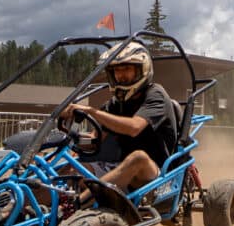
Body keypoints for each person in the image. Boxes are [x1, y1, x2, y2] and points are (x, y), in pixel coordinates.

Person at [58, 41, 177, 207]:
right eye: (116, 71)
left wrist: (91, 111)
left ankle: (78, 205)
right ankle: (16, 213)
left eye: (127, 69)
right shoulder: (116, 103)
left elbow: (134, 128)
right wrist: (70, 141)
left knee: (138, 157)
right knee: (72, 167)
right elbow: (94, 139)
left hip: (157, 175)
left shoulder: (155, 94)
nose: (121, 76)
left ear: (142, 69)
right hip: (121, 169)